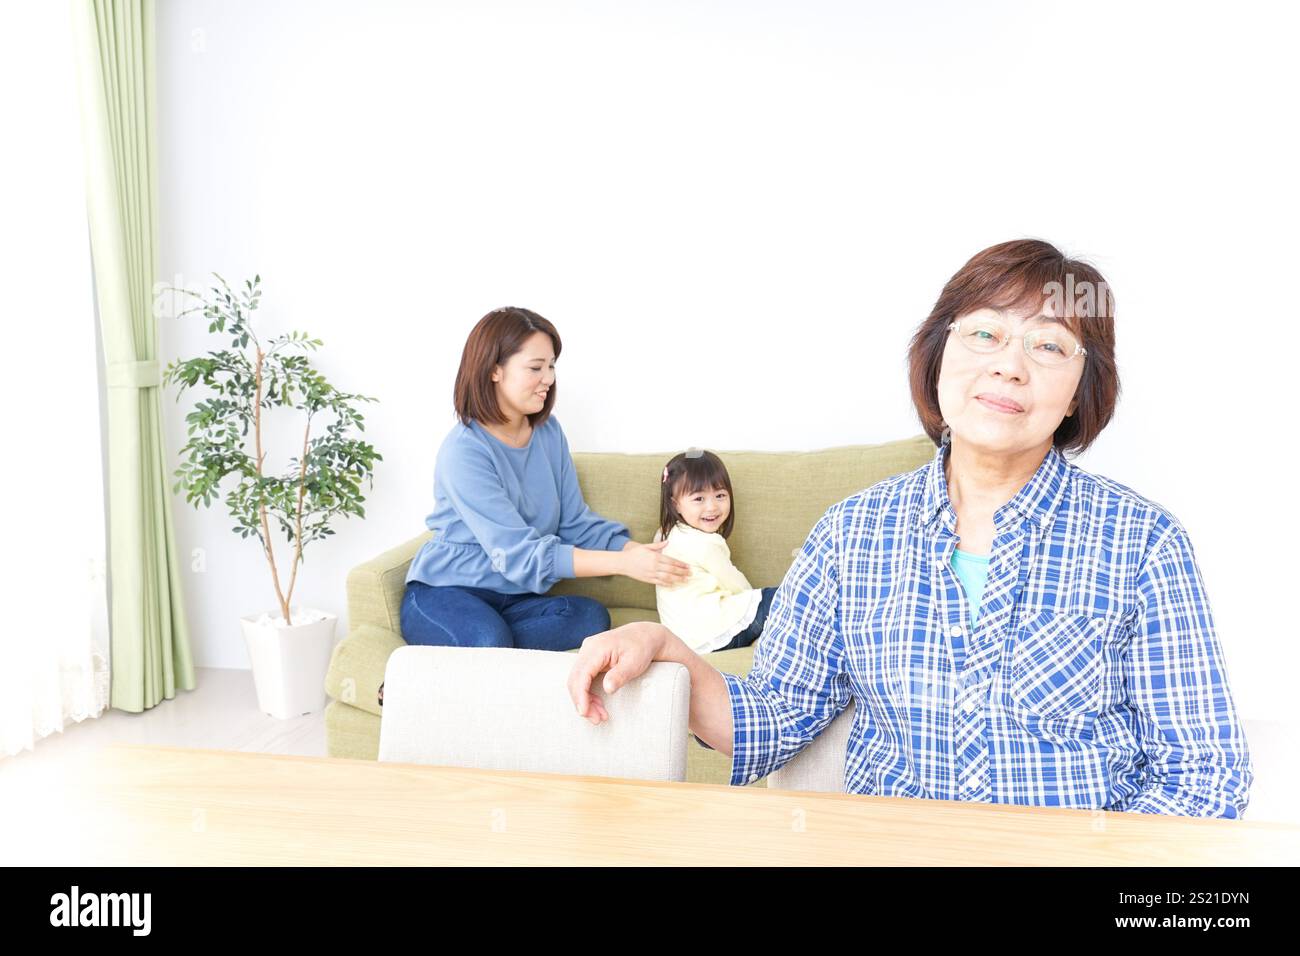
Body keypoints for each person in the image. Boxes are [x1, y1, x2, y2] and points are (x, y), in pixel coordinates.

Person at [567, 239, 1254, 818]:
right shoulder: (850, 534)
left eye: (1049, 346)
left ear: (1082, 388)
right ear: (937, 354)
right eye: (984, 333)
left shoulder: (1142, 542)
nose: (1009, 364)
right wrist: (666, 646)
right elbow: (772, 719)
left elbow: (1203, 773)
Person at [397, 307, 691, 661]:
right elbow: (519, 555)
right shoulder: (464, 451)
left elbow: (574, 523)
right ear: (494, 370)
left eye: (551, 366)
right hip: (449, 592)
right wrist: (622, 565)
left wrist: (631, 551)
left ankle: (473, 660)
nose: (548, 378)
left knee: (589, 617)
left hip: (515, 601)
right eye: (535, 367)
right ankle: (450, 665)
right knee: (488, 640)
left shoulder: (548, 433)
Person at [653, 449, 778, 654]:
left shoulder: (664, 535)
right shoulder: (706, 544)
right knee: (781, 597)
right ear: (675, 505)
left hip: (685, 640)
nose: (712, 507)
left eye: (720, 495)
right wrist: (756, 600)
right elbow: (735, 583)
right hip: (714, 634)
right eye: (699, 499)